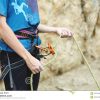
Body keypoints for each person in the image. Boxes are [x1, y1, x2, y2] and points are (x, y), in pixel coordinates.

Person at [0, 0, 72, 91]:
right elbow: (1, 27)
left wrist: (55, 30)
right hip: (13, 55)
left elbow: (29, 25)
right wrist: (28, 58)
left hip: (33, 51)